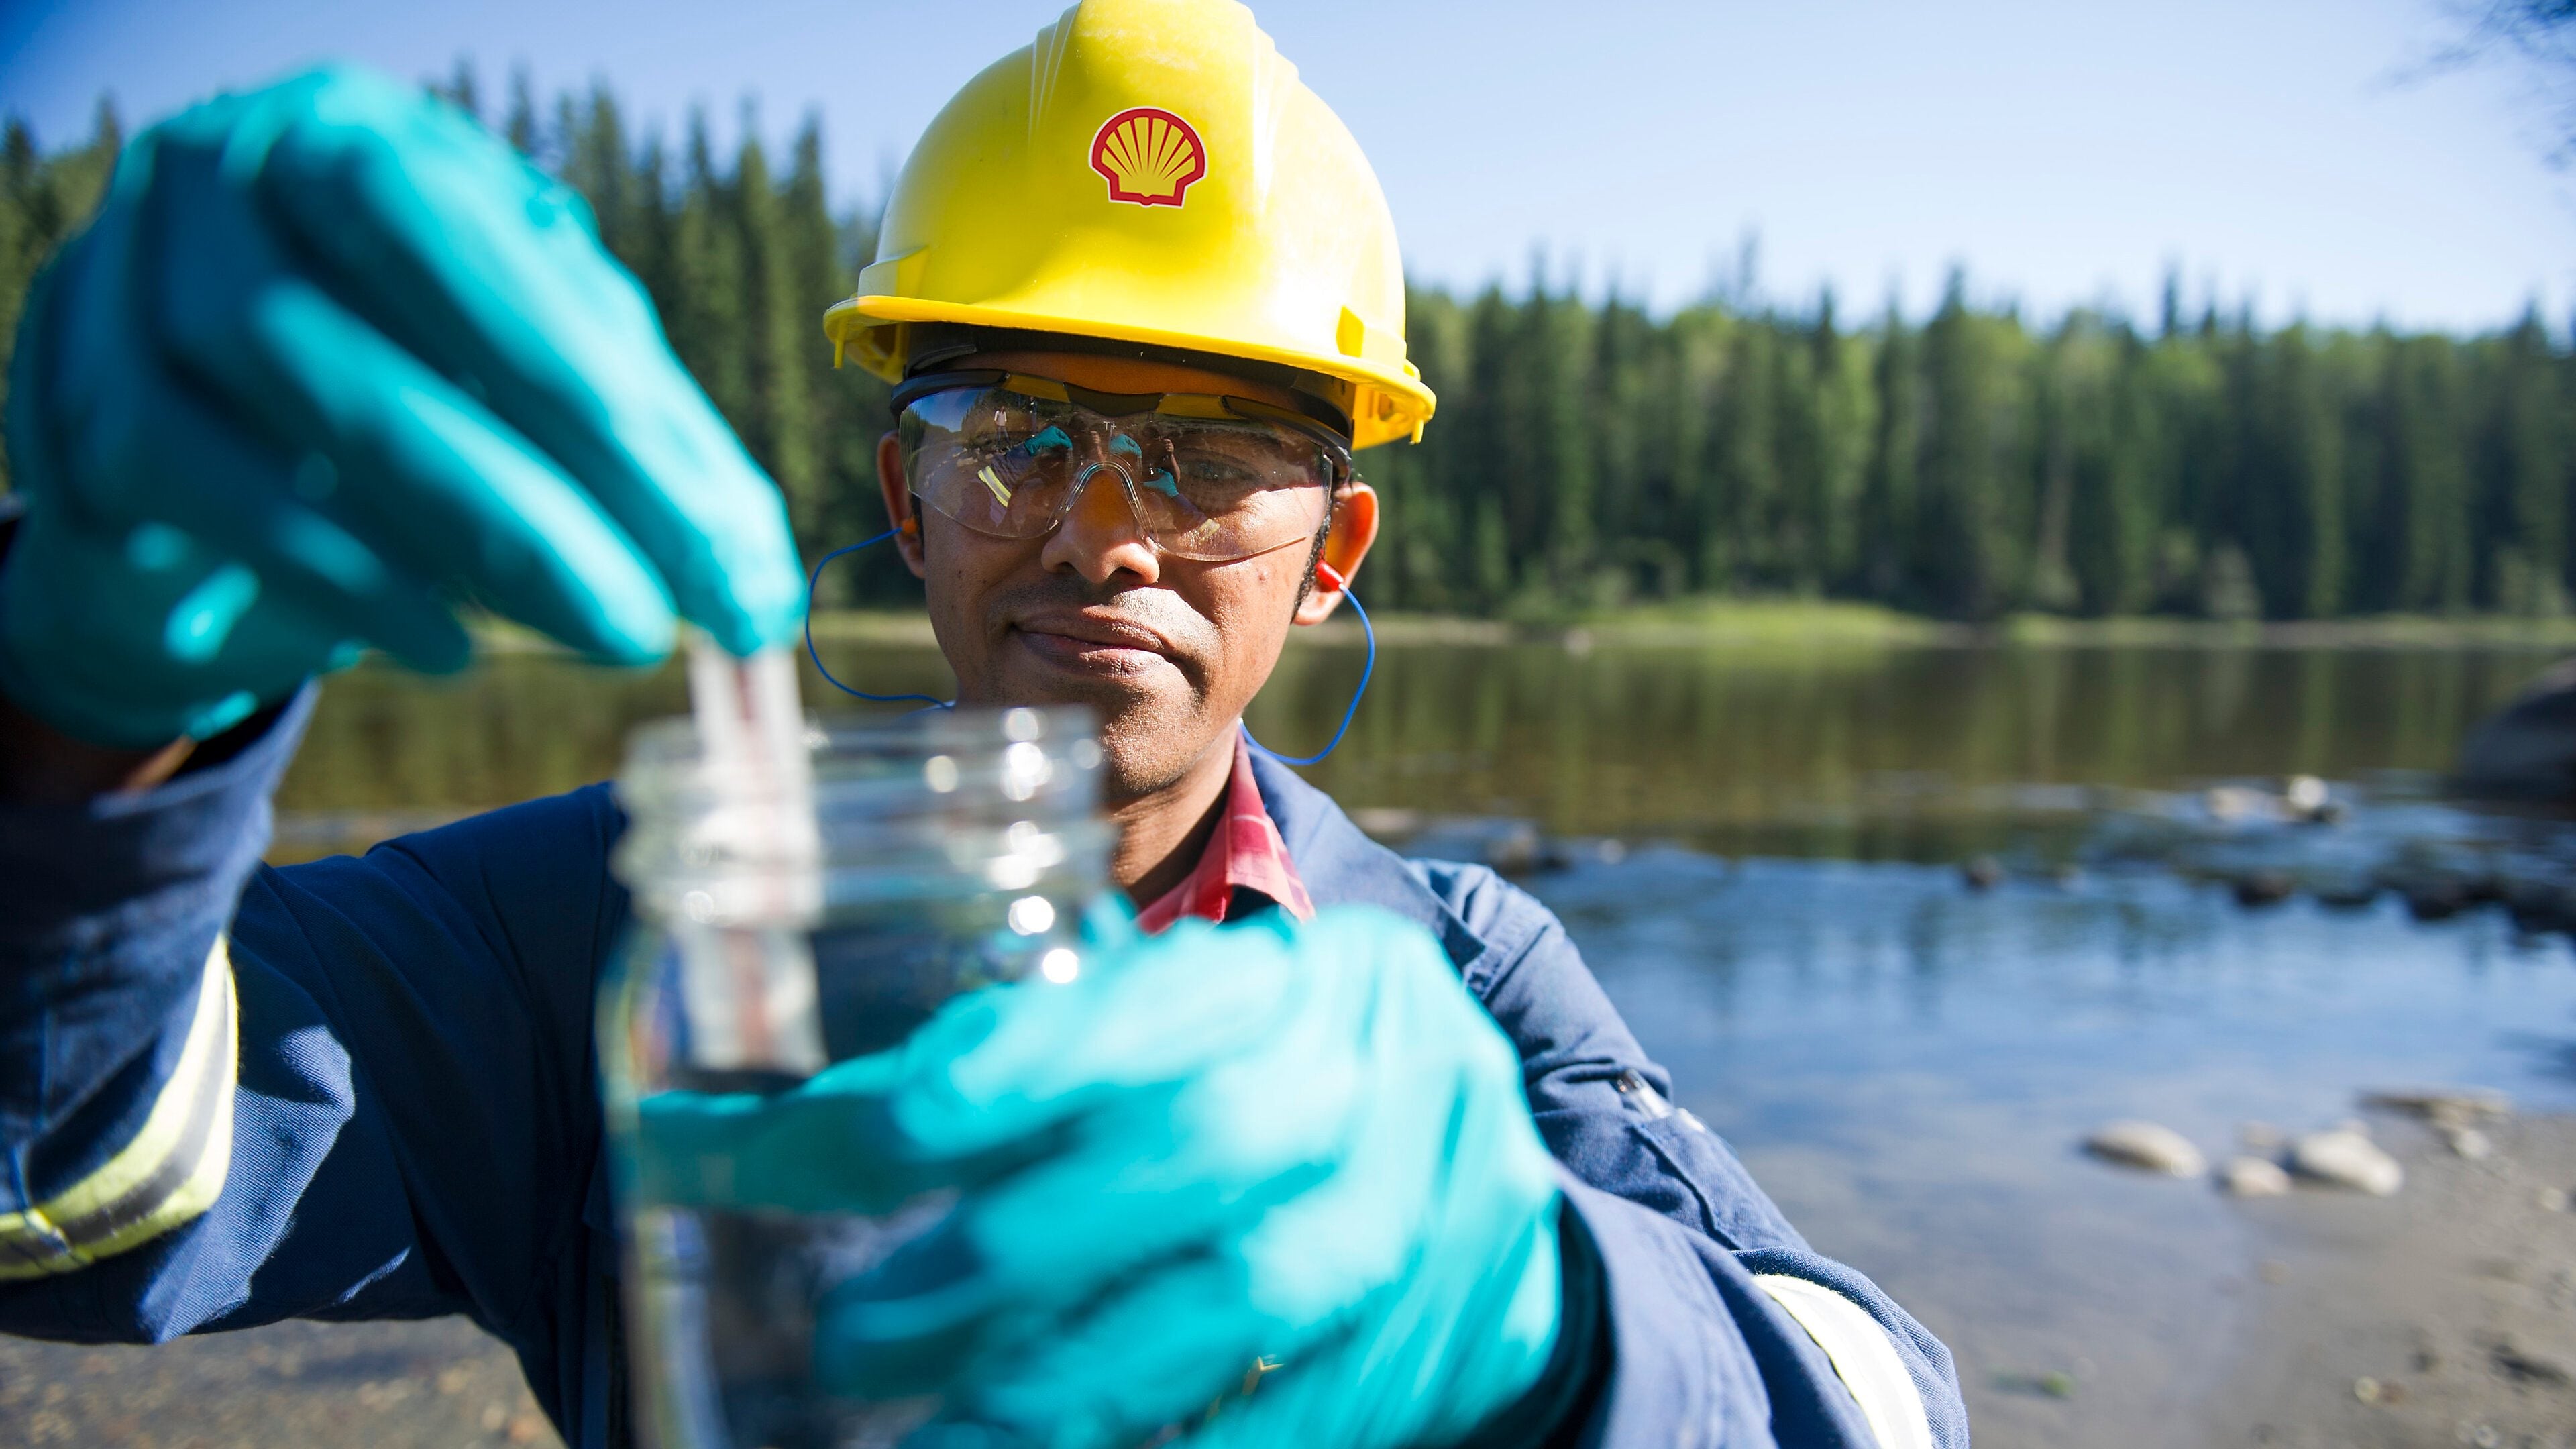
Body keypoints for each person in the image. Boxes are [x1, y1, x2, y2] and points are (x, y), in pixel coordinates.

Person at [0, 2, 1964, 1444]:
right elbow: (75, 1200)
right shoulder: (610, 935)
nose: (1108, 538)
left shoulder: (1463, 980)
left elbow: (1887, 1410)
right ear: (909, 494)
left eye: (1206, 457)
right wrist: (81, 727)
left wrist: (1563, 1314)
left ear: (1336, 546)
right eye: (1019, 439)